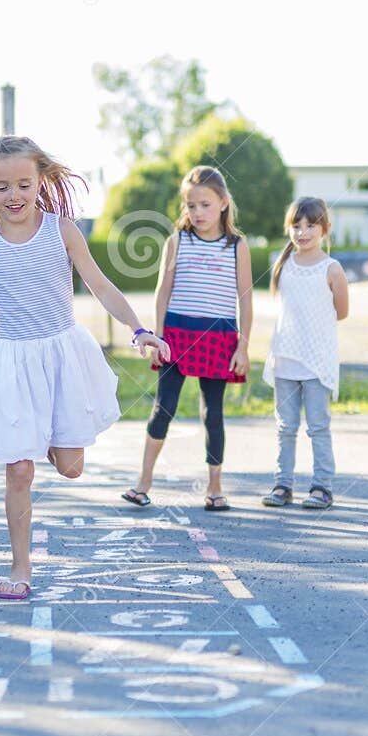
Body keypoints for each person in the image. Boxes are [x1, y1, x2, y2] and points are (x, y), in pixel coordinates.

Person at [0, 135, 169, 599]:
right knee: (19, 471)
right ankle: (20, 566)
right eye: (2, 187)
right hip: (11, 362)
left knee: (70, 468)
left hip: (62, 357)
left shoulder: (62, 230)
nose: (14, 196)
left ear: (40, 181)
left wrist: (138, 330)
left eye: (24, 184)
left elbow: (101, 286)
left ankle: (51, 440)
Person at [122, 165, 253, 512]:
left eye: (205, 205)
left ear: (223, 203)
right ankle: (143, 483)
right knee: (163, 406)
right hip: (177, 335)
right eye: (191, 205)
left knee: (213, 412)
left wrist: (244, 345)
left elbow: (245, 298)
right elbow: (162, 292)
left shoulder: (237, 246)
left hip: (219, 336)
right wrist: (157, 337)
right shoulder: (177, 240)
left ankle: (214, 487)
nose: (197, 213)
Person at [261, 196, 348, 510]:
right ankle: (282, 485)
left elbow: (341, 311)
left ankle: (321, 487)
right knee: (285, 428)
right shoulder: (284, 264)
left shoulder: (332, 268)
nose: (303, 232)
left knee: (318, 427)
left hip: (316, 363)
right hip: (285, 360)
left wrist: (313, 336)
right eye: (296, 226)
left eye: (311, 225)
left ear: (324, 228)